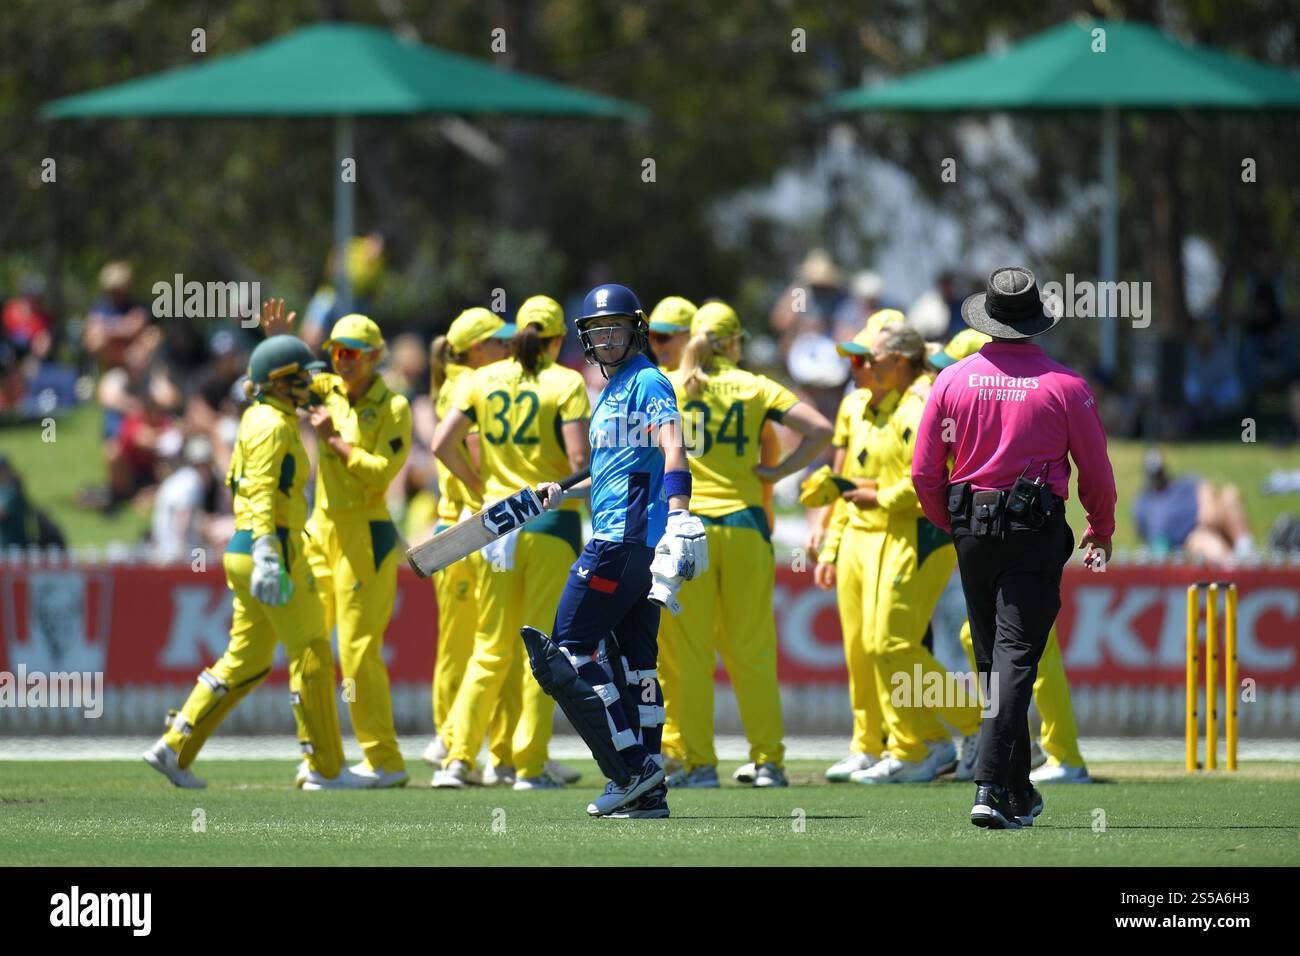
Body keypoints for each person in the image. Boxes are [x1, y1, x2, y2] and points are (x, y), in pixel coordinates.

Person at [912, 266, 1116, 829]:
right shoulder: (1066, 386)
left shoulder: (951, 381)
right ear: (1034, 323)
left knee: (995, 664)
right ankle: (990, 786)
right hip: (1033, 533)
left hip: (972, 530)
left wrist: (949, 523)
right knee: (1015, 662)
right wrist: (1101, 528)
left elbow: (925, 472)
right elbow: (1096, 472)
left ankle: (1018, 792)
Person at [143, 335, 363, 790]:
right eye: (300, 377)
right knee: (313, 652)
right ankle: (325, 768)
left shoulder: (263, 416)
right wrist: (268, 551)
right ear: (280, 384)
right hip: (270, 548)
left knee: (246, 660)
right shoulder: (273, 424)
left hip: (250, 548)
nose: (308, 384)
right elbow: (262, 489)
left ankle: (174, 745)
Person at [522, 283, 707, 819]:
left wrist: (678, 513)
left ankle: (629, 769)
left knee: (566, 653)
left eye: (615, 329)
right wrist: (562, 489)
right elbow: (614, 471)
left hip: (621, 545)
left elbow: (674, 445)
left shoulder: (648, 380)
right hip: (628, 544)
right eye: (596, 331)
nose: (605, 339)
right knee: (636, 668)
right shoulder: (613, 389)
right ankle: (649, 791)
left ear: (636, 330)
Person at [659, 301, 832, 789]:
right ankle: (769, 762)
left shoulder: (670, 386)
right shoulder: (757, 387)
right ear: (735, 342)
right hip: (746, 526)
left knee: (689, 655)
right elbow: (821, 430)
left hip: (686, 529)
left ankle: (698, 765)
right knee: (752, 652)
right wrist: (777, 473)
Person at [431, 295, 592, 791]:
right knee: (542, 647)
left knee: (488, 648)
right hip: (548, 525)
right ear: (557, 339)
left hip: (495, 525)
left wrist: (481, 488)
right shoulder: (566, 382)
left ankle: (458, 758)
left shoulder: (482, 379)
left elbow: (441, 443)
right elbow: (576, 461)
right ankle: (527, 764)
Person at [821, 321, 982, 785]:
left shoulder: (920, 403)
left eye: (874, 359)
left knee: (889, 645)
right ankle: (929, 742)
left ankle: (969, 728)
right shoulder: (893, 403)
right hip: (900, 532)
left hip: (924, 535)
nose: (866, 367)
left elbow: (932, 479)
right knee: (883, 647)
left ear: (901, 361)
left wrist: (878, 496)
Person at [421, 307, 514, 775]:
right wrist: (489, 495)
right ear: (477, 349)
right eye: (500, 343)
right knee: (470, 649)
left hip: (463, 529)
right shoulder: (466, 386)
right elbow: (471, 452)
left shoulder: (460, 383)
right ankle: (453, 743)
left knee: (477, 647)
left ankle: (497, 749)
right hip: (464, 530)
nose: (508, 350)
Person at [1134, 448, 1253, 561]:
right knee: (1211, 545)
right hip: (1190, 537)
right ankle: (1235, 568)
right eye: (1154, 474)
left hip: (1211, 520)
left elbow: (1206, 486)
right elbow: (1145, 537)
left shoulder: (1183, 483)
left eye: (1159, 472)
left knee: (1230, 494)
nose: (1158, 477)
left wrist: (1207, 506)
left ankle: (1246, 550)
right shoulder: (1144, 502)